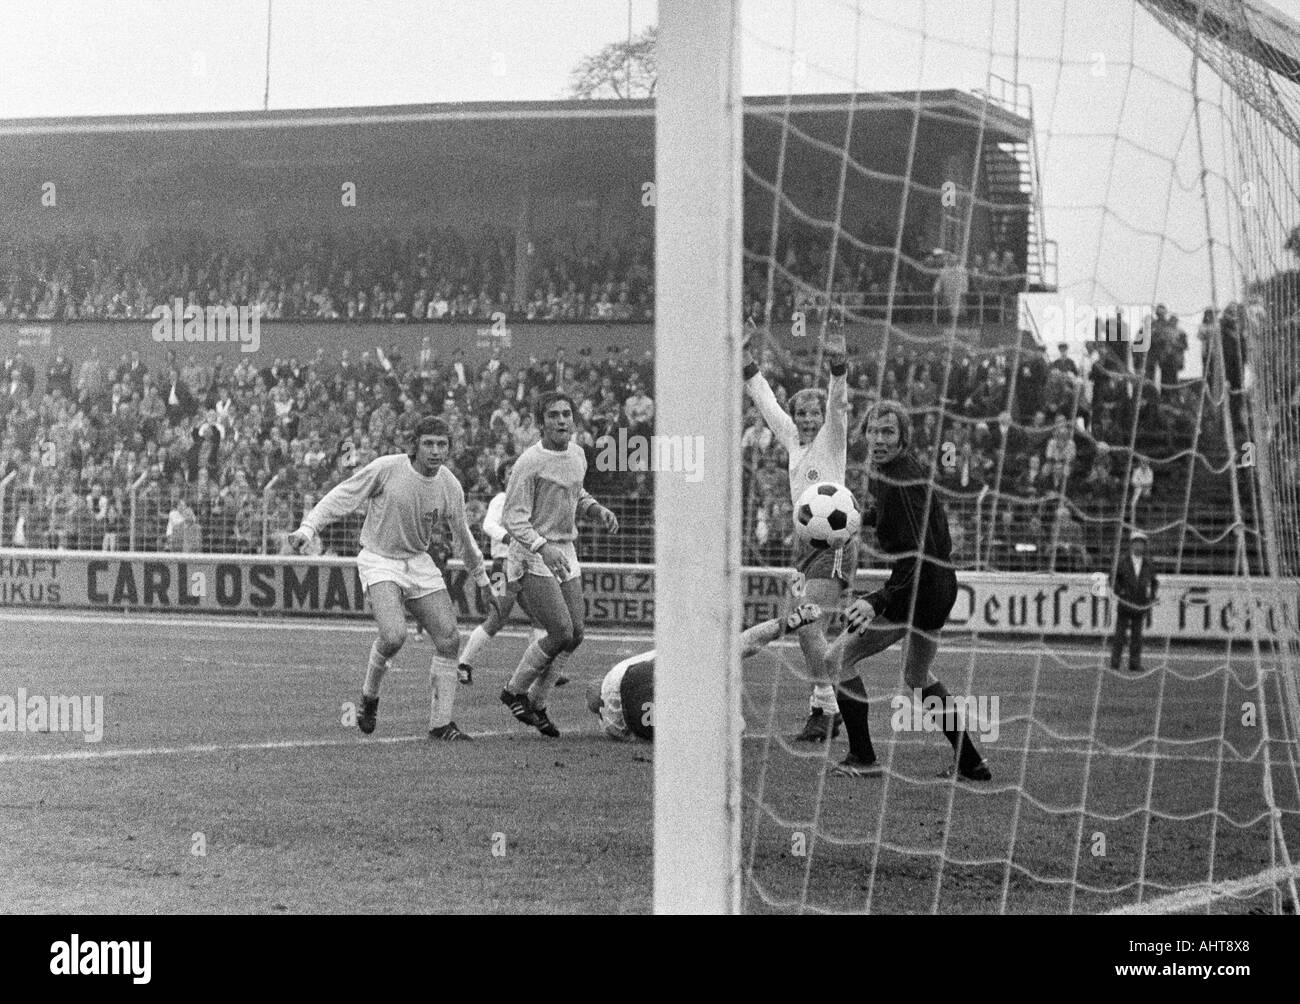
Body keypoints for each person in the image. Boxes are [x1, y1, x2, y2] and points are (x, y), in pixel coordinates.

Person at [288, 416, 497, 741]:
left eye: (442, 444)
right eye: (428, 443)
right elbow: (343, 495)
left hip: (418, 560)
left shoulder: (449, 485)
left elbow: (463, 537)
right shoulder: (387, 468)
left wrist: (482, 580)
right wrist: (308, 527)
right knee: (394, 636)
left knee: (449, 639)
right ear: (414, 445)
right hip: (379, 559)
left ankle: (441, 725)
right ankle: (370, 696)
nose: (435, 451)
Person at [825, 400, 991, 781]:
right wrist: (855, 520)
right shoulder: (894, 472)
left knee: (837, 660)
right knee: (917, 675)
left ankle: (862, 757)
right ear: (864, 433)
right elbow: (899, 523)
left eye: (888, 432)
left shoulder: (900, 479)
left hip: (915, 586)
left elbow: (917, 551)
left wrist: (879, 600)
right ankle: (971, 763)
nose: (879, 439)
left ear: (903, 438)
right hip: (938, 586)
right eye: (874, 431)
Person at [743, 323, 850, 743]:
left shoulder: (832, 438)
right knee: (808, 630)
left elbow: (839, 404)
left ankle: (829, 707)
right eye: (801, 412)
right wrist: (748, 360)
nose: (807, 418)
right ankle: (825, 710)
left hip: (834, 543)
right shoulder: (791, 441)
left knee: (806, 622)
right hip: (803, 544)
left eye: (813, 413)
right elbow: (765, 400)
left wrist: (837, 368)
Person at [499, 391, 619, 738]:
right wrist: (541, 546)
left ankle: (536, 701)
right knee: (561, 631)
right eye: (553, 415)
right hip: (532, 552)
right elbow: (513, 518)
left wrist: (596, 509)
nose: (562, 420)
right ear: (540, 424)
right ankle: (514, 690)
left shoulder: (578, 454)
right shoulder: (528, 462)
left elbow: (576, 494)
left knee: (576, 634)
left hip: (564, 548)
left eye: (566, 414)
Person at [587, 604, 825, 741]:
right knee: (732, 727)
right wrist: (795, 620)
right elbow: (753, 641)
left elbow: (752, 641)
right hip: (634, 695)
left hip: (624, 702)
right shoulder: (708, 654)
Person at [456, 457, 548, 685]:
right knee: (498, 617)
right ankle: (463, 663)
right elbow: (489, 525)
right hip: (503, 566)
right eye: (509, 472)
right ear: (502, 477)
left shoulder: (528, 500)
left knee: (540, 616)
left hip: (523, 566)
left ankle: (539, 669)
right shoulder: (501, 499)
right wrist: (510, 539)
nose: (513, 475)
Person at [1110, 530, 1158, 673]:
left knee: (1137, 636)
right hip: (1125, 603)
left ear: (1145, 546)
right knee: (1120, 634)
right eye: (1136, 543)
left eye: (1141, 544)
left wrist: (1151, 596)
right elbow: (1113, 579)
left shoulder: (1148, 564)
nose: (1139, 546)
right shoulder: (1122, 562)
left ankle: (1134, 663)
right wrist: (1120, 592)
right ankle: (1115, 662)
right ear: (1131, 545)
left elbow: (1154, 582)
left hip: (1140, 603)